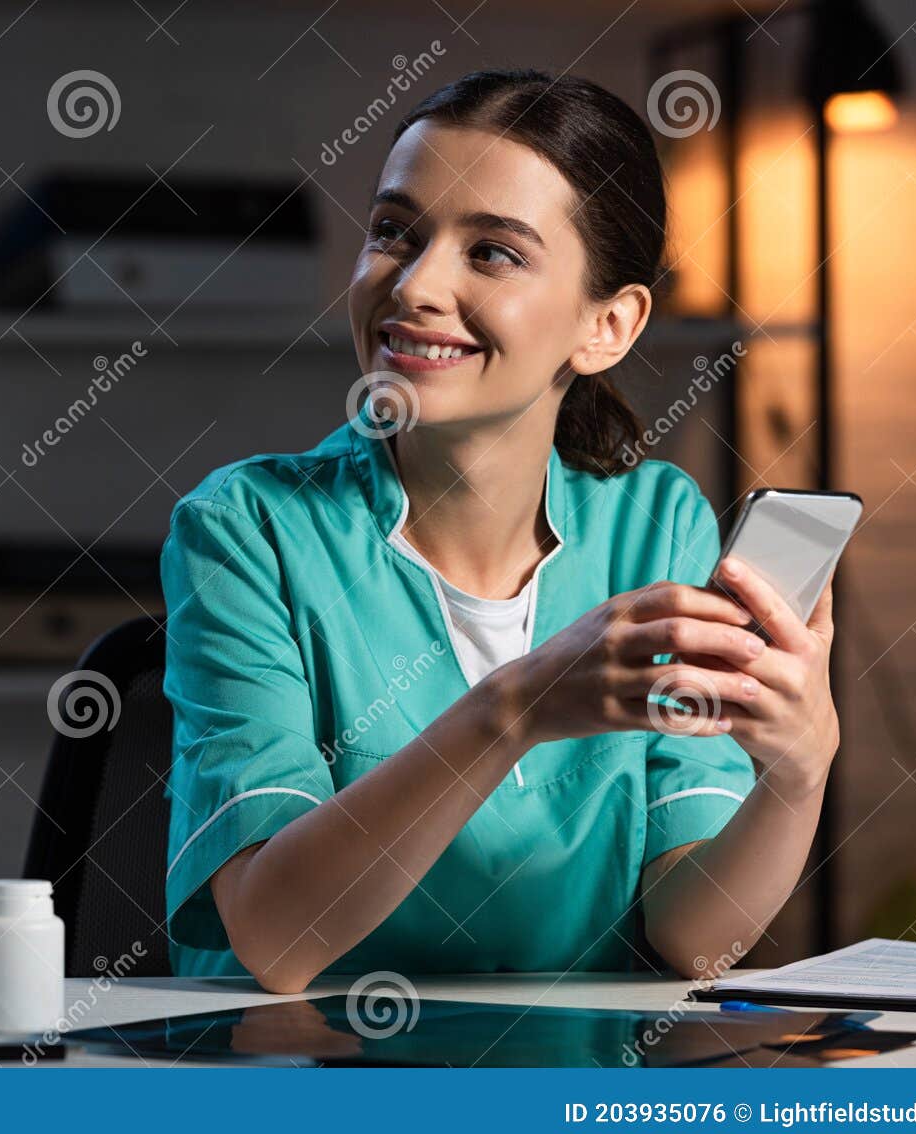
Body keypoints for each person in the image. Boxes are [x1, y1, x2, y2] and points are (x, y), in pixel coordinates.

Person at [160, 69, 839, 993]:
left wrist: (799, 777)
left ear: (607, 325)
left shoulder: (658, 528)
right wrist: (515, 711)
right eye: (396, 231)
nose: (416, 284)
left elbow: (695, 939)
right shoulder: (247, 533)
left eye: (493, 253)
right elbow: (279, 938)